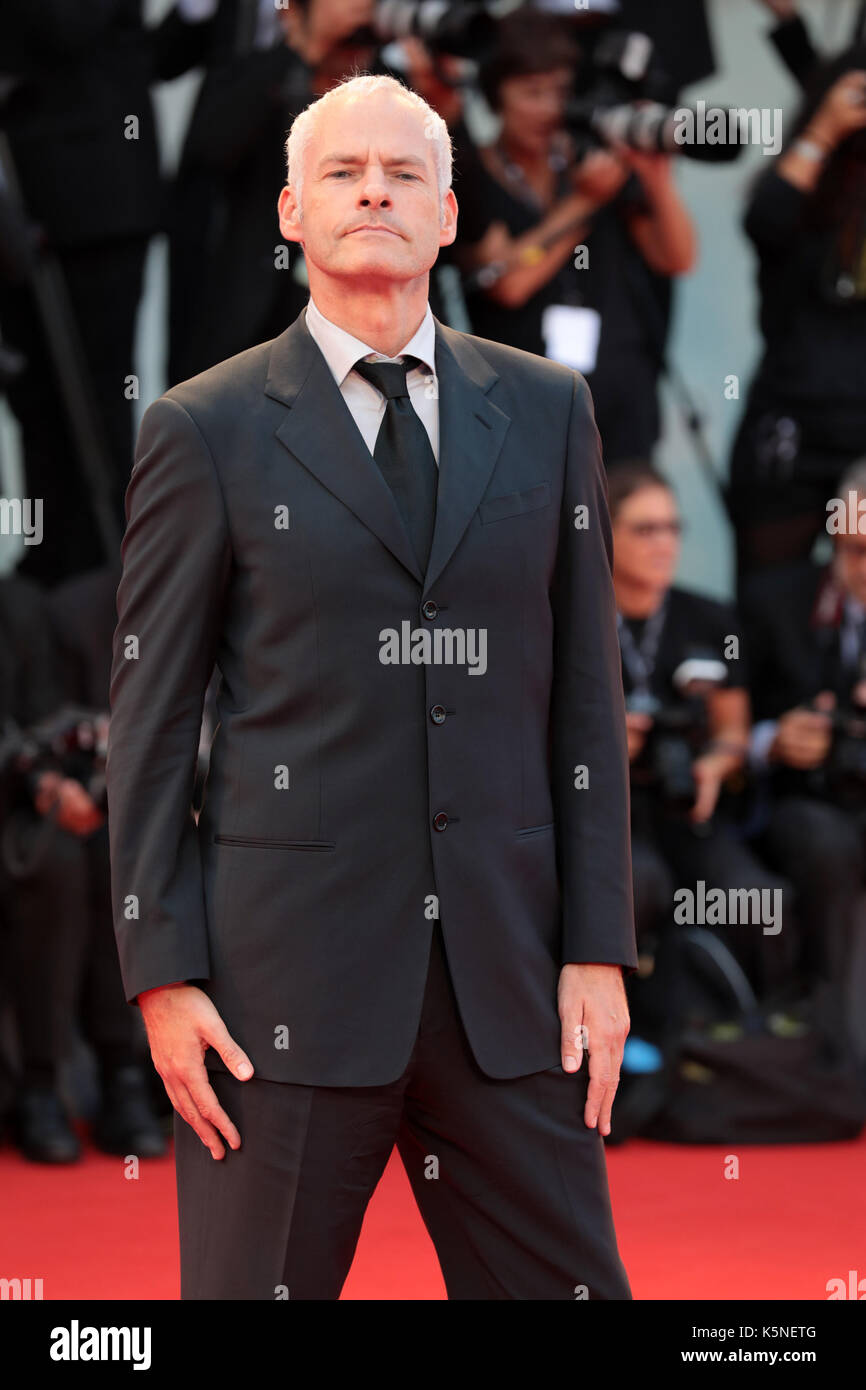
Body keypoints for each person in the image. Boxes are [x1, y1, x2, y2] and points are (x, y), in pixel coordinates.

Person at [106, 72, 637, 1301]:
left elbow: (583, 703)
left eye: (405, 175)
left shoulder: (549, 411)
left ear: (450, 216)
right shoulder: (208, 427)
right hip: (277, 994)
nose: (374, 194)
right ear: (291, 211)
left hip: (508, 984)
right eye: (344, 174)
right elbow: (147, 722)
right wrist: (161, 972)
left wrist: (598, 948)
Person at [452, 10, 695, 465]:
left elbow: (677, 259)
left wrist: (656, 177)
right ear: (494, 94)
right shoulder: (472, 173)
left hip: (621, 408)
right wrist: (584, 202)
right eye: (531, 92)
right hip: (518, 410)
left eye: (561, 91)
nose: (549, 108)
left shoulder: (592, 158)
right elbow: (506, 281)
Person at [609, 464, 792, 1009]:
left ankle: (763, 1040)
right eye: (646, 529)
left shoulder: (712, 620)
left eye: (673, 528)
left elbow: (733, 730)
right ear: (602, 530)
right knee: (636, 886)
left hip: (690, 808)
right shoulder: (570, 617)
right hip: (608, 816)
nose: (665, 543)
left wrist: (716, 764)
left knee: (760, 901)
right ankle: (630, 1049)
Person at [727, 49, 866, 589]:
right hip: (790, 430)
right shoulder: (805, 192)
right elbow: (765, 220)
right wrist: (825, 131)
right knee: (769, 594)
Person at [740, 457, 866, 1035]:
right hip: (803, 805)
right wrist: (774, 741)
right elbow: (726, 726)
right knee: (824, 842)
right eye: (856, 549)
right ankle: (831, 1034)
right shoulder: (776, 602)